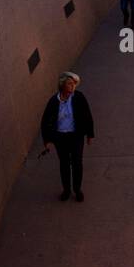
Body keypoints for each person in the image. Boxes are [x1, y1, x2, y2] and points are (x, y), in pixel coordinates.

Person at [39, 72, 95, 202]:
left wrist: (90, 135)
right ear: (62, 85)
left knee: (77, 163)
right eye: (70, 84)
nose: (72, 86)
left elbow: (87, 115)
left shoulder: (78, 97)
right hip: (60, 138)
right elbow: (45, 121)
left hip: (76, 136)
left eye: (74, 84)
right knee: (64, 164)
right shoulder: (54, 101)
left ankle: (77, 189)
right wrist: (47, 140)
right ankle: (66, 190)